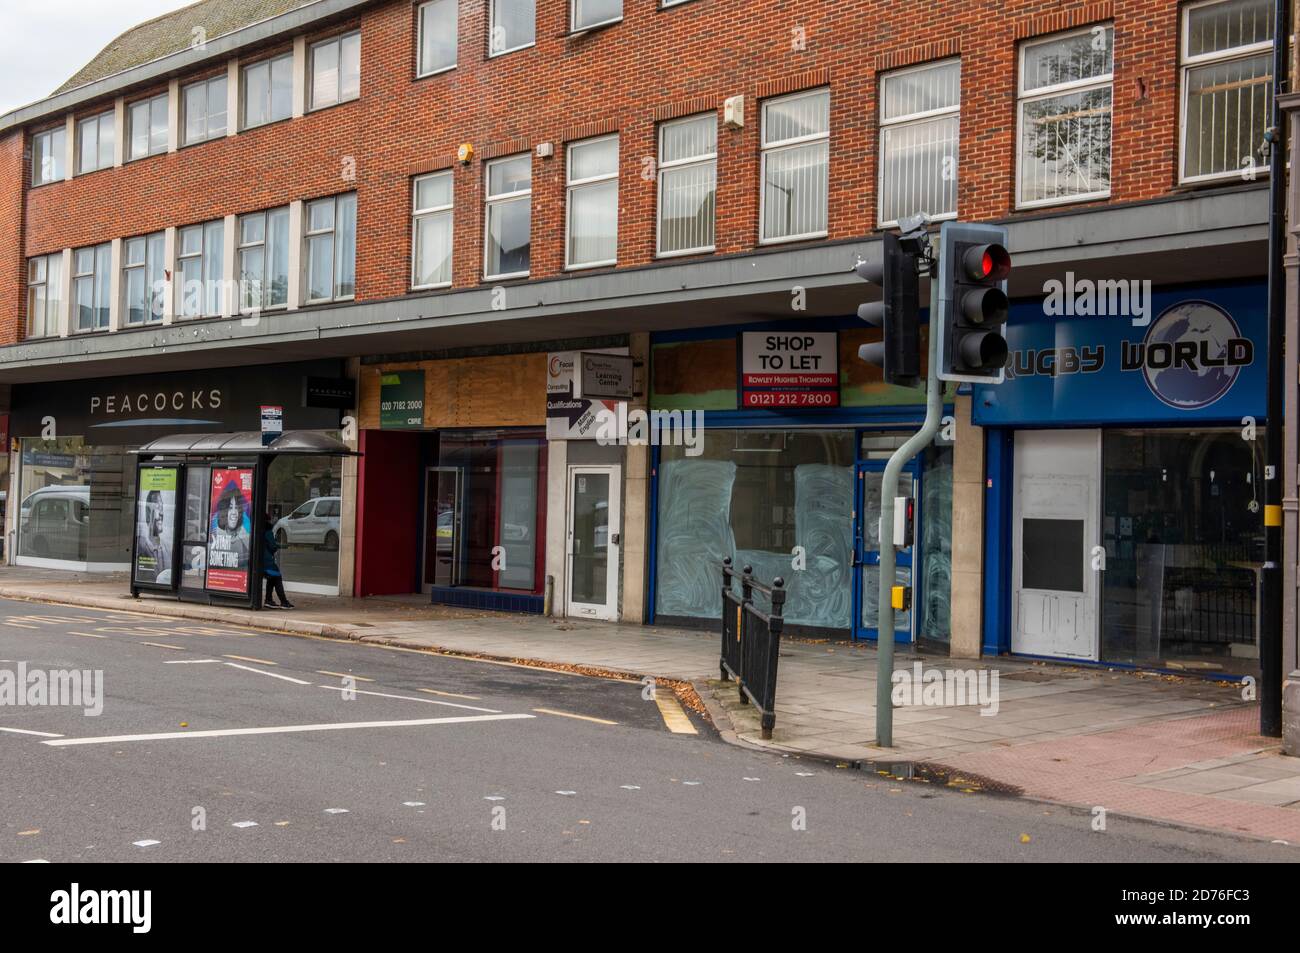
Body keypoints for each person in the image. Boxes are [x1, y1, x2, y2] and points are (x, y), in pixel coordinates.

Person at [262, 511, 293, 609]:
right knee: (276, 576)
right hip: (266, 561)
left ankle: (268, 600)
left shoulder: (254, 529)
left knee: (272, 577)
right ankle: (284, 602)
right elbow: (272, 546)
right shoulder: (267, 530)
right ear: (267, 520)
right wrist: (277, 545)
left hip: (258, 562)